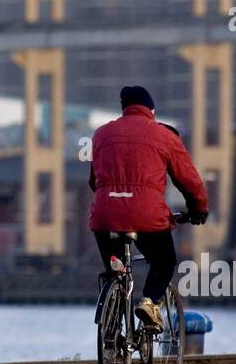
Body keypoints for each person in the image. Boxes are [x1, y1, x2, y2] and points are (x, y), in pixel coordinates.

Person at [88, 85, 209, 330]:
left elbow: (94, 182)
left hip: (105, 217)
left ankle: (111, 330)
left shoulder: (101, 134)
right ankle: (150, 302)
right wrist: (198, 209)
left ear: (124, 108)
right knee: (164, 261)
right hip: (147, 217)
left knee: (116, 269)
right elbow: (188, 179)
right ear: (151, 110)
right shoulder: (164, 135)